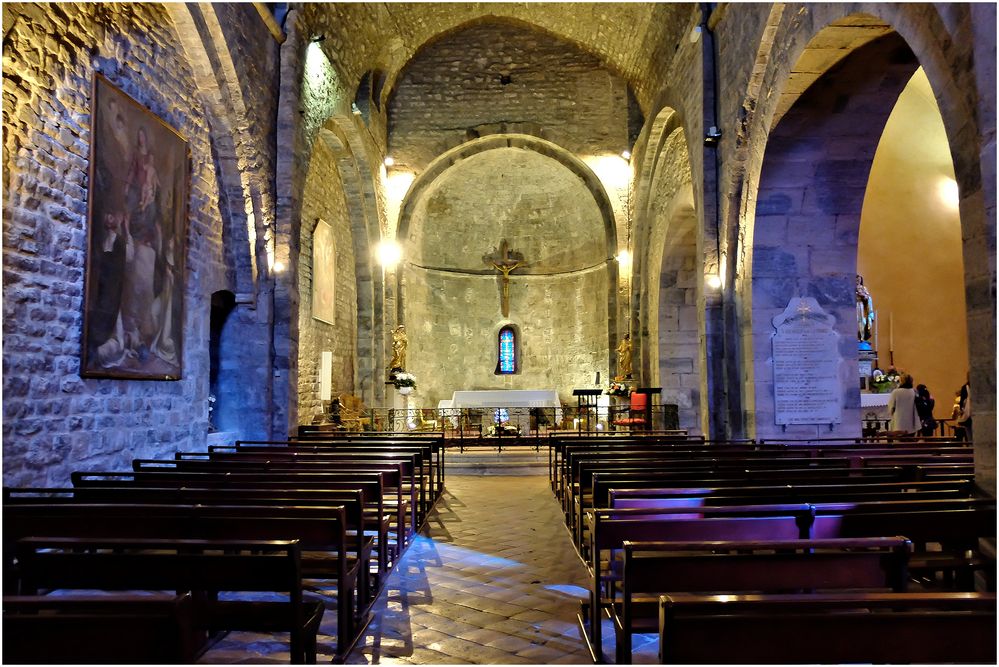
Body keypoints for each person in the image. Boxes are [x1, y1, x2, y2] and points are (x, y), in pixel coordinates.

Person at [855, 274, 875, 345]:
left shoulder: (863, 288)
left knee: (862, 322)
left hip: (861, 306)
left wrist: (862, 295)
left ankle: (861, 338)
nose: (858, 281)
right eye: (856, 280)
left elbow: (868, 297)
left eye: (859, 280)